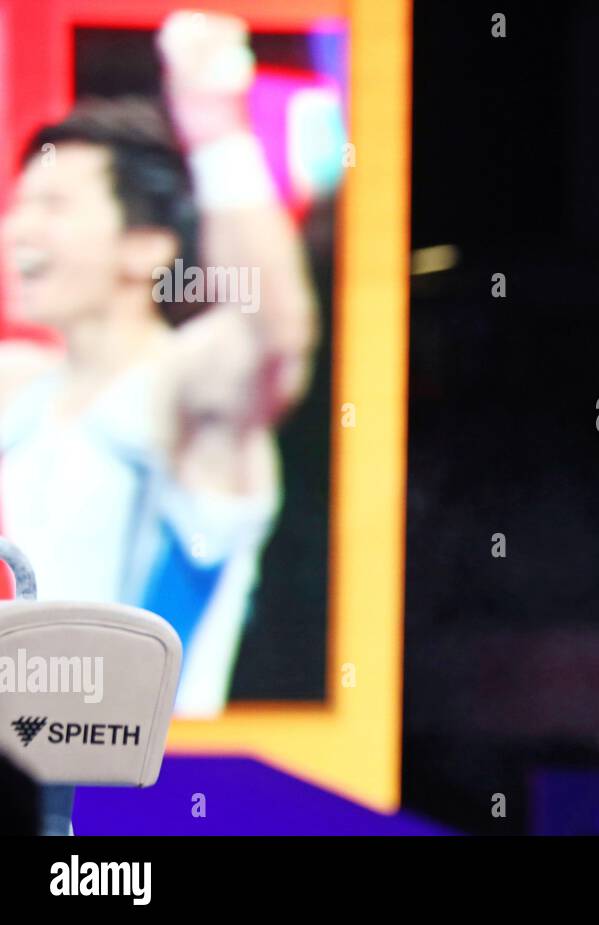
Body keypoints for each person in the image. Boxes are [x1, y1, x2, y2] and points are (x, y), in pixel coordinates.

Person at [0, 12, 318, 717]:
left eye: (53, 205)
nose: (18, 228)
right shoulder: (19, 386)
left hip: (151, 803)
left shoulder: (181, 399)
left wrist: (216, 133)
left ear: (147, 246)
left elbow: (272, 335)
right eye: (17, 206)